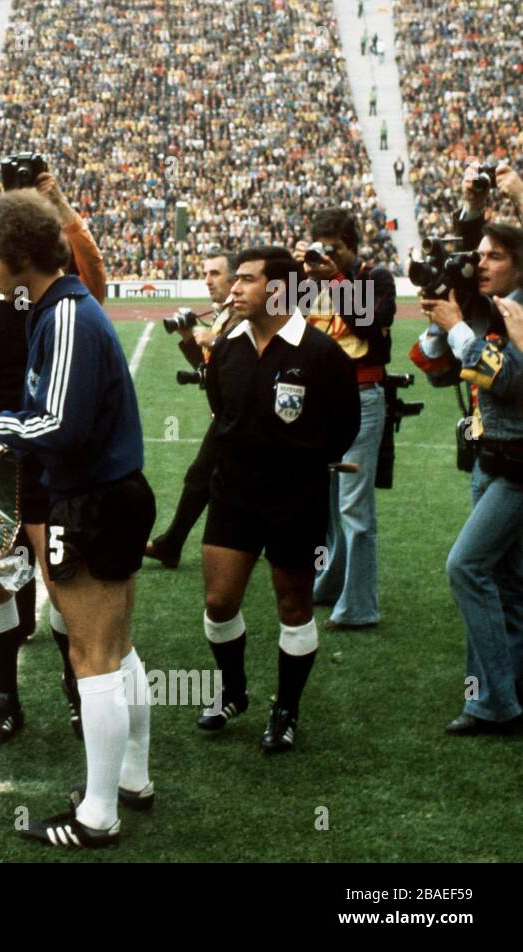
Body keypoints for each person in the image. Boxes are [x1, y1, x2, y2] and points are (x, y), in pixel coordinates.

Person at [0, 190, 155, 848]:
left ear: (18, 258)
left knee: (91, 654)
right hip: (109, 493)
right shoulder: (59, 309)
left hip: (91, 497)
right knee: (115, 649)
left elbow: (59, 426)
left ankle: (99, 814)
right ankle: (130, 780)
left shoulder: (65, 314)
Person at [0, 173, 109, 749]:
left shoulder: (52, 301)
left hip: (49, 462)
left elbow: (97, 280)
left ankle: (76, 689)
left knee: (63, 585)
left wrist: (58, 202)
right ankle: (7, 699)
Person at [195, 247, 360, 754]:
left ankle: (286, 709)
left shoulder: (320, 354)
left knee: (293, 604)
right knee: (219, 602)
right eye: (236, 280)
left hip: (295, 496)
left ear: (280, 289)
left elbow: (344, 426)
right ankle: (233, 689)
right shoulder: (227, 348)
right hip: (234, 492)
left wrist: (300, 460)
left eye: (247, 280)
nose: (235, 289)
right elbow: (221, 409)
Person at [412, 210, 523, 735]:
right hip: (489, 457)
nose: (479, 264)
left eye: (493, 256)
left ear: (518, 267)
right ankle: (502, 693)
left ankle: (496, 702)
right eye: (477, 254)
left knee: (465, 567)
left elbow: (502, 378)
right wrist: (441, 328)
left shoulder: (519, 313)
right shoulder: (488, 310)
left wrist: (456, 330)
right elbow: (437, 374)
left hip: (517, 466)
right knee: (506, 583)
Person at [303, 208, 396, 630]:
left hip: (362, 395)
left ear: (352, 247)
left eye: (335, 250)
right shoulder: (307, 283)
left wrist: (335, 281)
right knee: (328, 505)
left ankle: (360, 606)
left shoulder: (376, 279)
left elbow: (371, 324)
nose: (327, 257)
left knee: (355, 508)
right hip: (323, 401)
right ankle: (332, 582)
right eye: (320, 249)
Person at [144, 250, 239, 568]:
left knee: (204, 476)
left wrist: (216, 340)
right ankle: (172, 543)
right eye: (206, 273)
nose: (207, 280)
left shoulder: (242, 313)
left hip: (242, 413)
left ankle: (171, 544)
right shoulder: (224, 313)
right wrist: (189, 337)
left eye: (215, 273)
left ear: (234, 277)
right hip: (229, 412)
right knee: (209, 477)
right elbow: (206, 369)